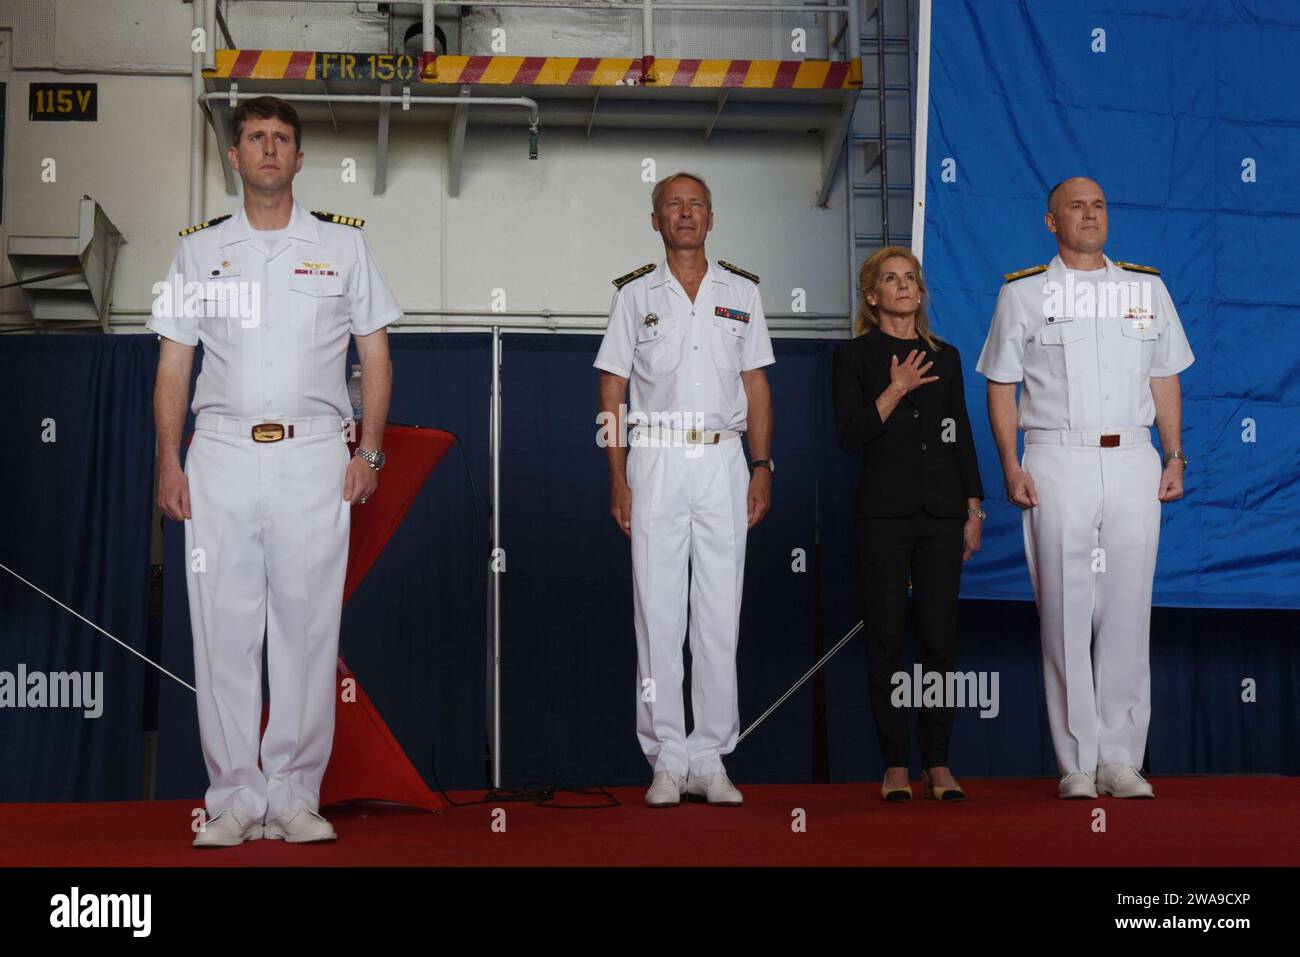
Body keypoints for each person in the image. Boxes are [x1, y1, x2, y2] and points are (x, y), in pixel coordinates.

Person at [149, 95, 402, 845]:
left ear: (299, 158)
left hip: (313, 451)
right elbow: (174, 362)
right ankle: (231, 797)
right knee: (223, 630)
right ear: (234, 157)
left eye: (282, 139)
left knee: (305, 627)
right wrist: (169, 456)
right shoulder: (197, 251)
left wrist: (371, 450)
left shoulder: (344, 247)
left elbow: (376, 355)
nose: (268, 149)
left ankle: (294, 794)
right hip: (220, 449)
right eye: (255, 138)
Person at [976, 177, 1194, 799]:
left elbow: (1164, 376)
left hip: (1132, 456)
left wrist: (1173, 455)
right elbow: (1001, 385)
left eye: (1099, 205)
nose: (1090, 215)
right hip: (1056, 458)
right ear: (1051, 222)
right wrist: (1011, 465)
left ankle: (1122, 757)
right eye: (1076, 206)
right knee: (1066, 612)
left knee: (1128, 608)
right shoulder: (1023, 294)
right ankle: (1076, 761)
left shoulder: (1145, 288)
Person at [594, 172, 775, 807]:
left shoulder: (742, 293)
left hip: (724, 458)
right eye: (673, 204)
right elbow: (612, 389)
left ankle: (711, 756)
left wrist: (762, 465)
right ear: (655, 220)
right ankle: (666, 758)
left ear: (711, 217)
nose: (685, 214)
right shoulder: (633, 295)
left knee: (720, 612)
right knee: (658, 611)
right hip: (656, 459)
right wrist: (617, 476)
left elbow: (756, 386)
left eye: (695, 204)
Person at [832, 246, 985, 802]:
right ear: (872, 297)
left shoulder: (947, 355)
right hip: (883, 515)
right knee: (886, 640)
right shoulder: (852, 358)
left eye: (911, 278)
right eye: (891, 280)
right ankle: (896, 764)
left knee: (939, 641)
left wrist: (973, 509)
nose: (903, 286)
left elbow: (963, 436)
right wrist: (895, 387)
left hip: (943, 515)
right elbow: (849, 436)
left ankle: (938, 763)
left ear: (920, 292)